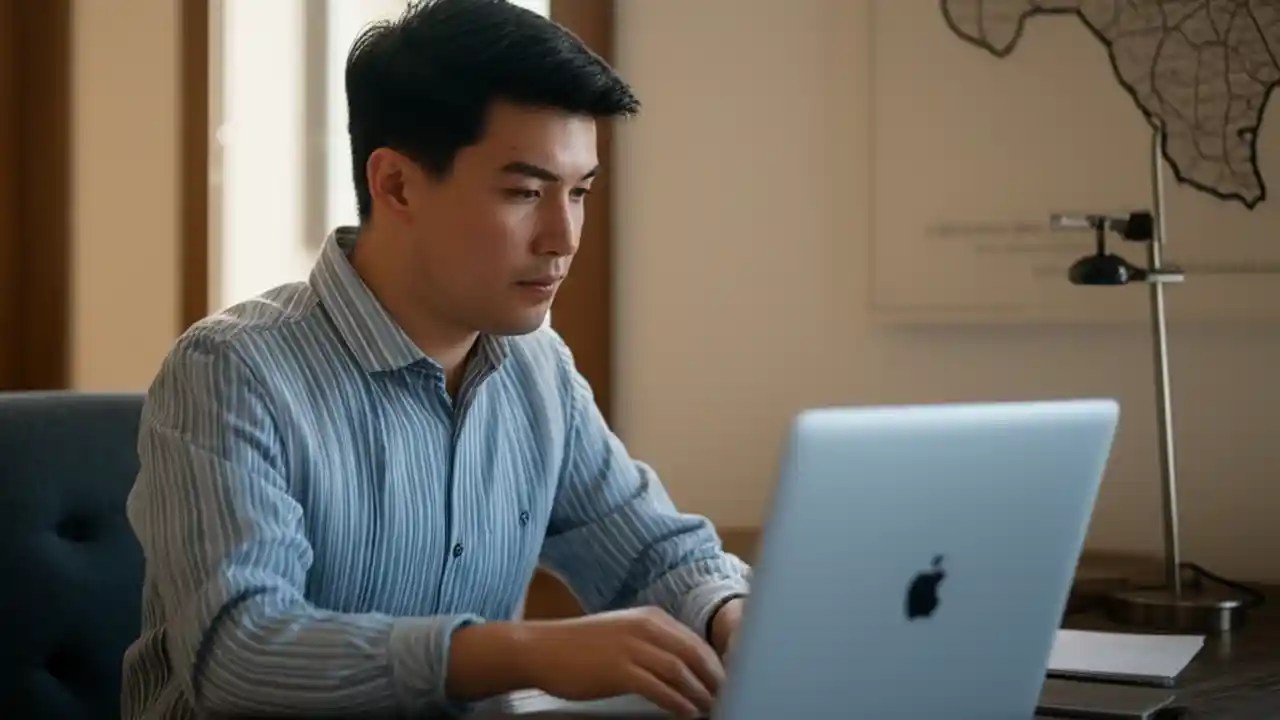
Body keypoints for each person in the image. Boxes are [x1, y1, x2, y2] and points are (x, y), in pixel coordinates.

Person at [120, 0, 752, 718]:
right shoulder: (231, 372)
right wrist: (520, 652)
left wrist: (727, 613)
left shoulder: (536, 370)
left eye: (578, 193)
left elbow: (654, 555)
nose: (563, 237)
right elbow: (241, 656)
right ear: (395, 184)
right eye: (524, 192)